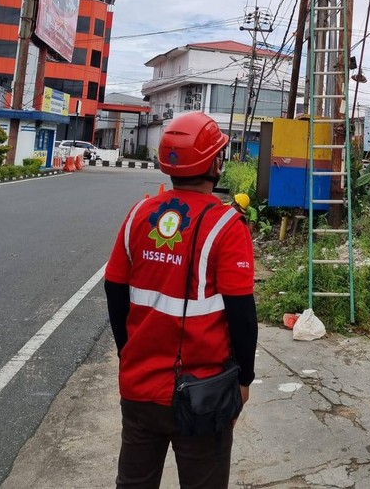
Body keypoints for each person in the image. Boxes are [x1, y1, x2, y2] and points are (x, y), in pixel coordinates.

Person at [104, 111, 258, 489]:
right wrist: (244, 379)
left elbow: (114, 289)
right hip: (203, 395)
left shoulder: (139, 214)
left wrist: (128, 354)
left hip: (139, 389)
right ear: (215, 164)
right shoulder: (227, 226)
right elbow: (242, 314)